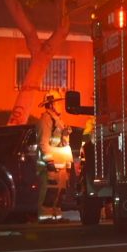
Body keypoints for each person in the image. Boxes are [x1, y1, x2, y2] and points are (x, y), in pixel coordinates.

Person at [36, 89, 72, 223]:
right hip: (50, 164)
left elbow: (62, 144)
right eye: (58, 103)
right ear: (51, 104)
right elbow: (43, 143)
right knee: (50, 191)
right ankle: (45, 216)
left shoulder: (58, 120)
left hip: (60, 163)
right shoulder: (46, 120)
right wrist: (49, 161)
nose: (60, 105)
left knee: (60, 191)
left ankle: (57, 215)